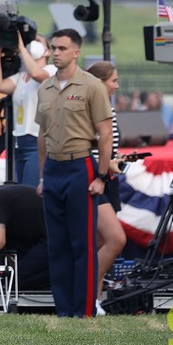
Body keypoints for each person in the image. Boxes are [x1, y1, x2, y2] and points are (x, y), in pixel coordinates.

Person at [36, 28, 111, 318]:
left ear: (76, 52)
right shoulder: (45, 88)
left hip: (80, 166)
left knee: (83, 244)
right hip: (53, 169)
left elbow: (105, 133)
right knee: (57, 244)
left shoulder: (92, 86)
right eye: (53, 48)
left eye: (62, 48)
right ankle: (64, 310)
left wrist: (101, 177)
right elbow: (42, 135)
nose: (56, 53)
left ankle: (84, 310)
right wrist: (43, 177)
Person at [85, 61, 127, 308]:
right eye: (113, 80)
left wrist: (114, 160)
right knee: (115, 239)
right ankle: (87, 289)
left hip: (105, 178)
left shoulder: (106, 107)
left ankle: (94, 299)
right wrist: (106, 165)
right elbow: (88, 147)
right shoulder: (91, 108)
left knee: (102, 243)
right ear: (99, 83)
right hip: (95, 178)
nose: (117, 86)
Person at [0, 34, 53, 186]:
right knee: (22, 189)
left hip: (37, 141)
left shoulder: (52, 70)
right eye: (30, 41)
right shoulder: (22, 77)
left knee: (30, 190)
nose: (32, 44)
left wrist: (21, 48)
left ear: (47, 51)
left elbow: (37, 74)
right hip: (19, 142)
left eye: (38, 41)